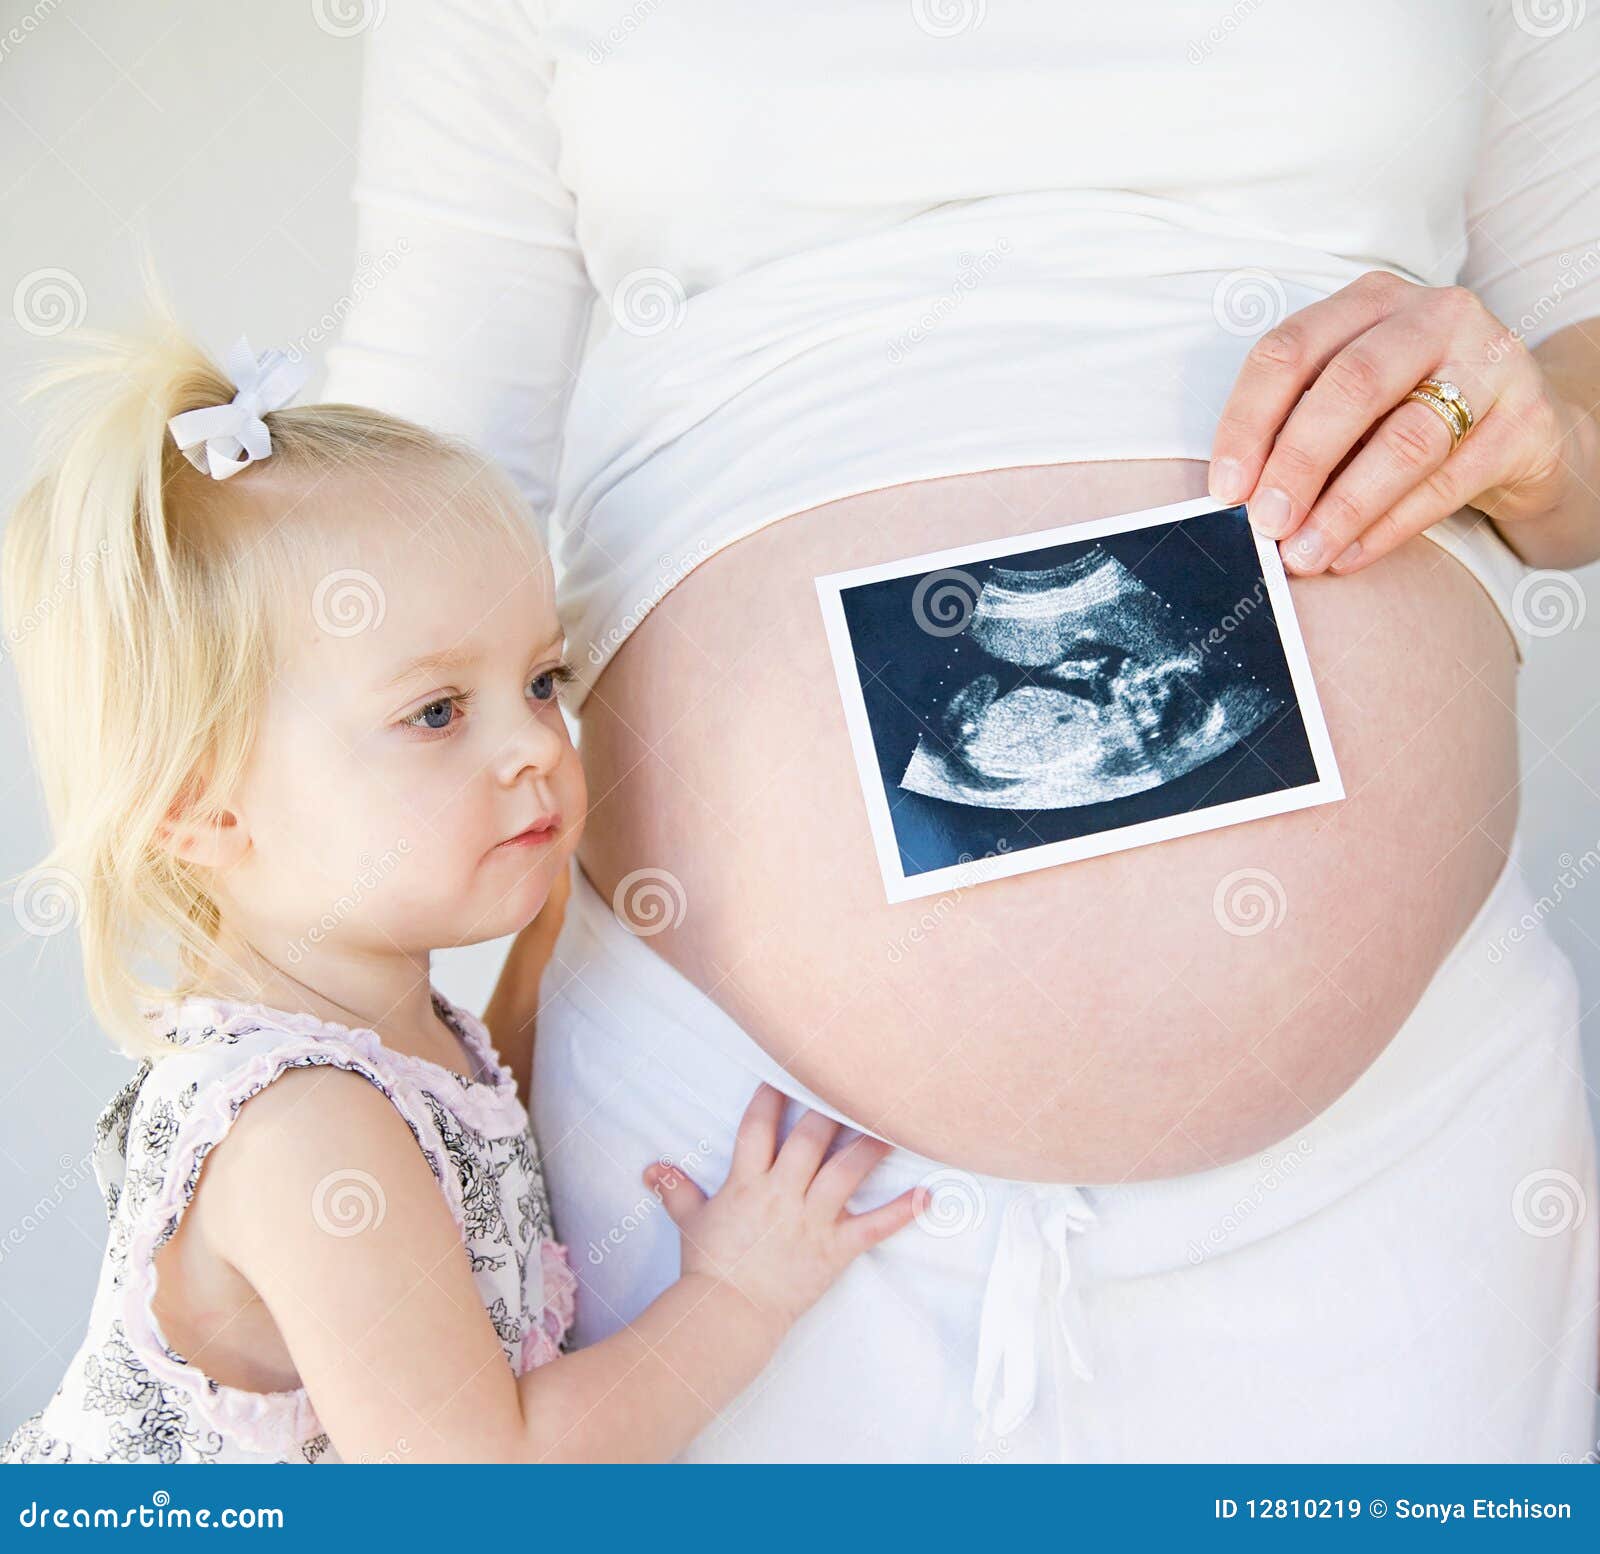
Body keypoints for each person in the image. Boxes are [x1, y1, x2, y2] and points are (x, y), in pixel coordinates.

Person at [320, 3, 1600, 1459]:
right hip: (739, 1169)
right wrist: (314, 1064)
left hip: (1395, 1152)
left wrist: (1546, 426)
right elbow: (394, 495)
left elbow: (1583, 386)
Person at [0, 317, 924, 1464]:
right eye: (436, 711)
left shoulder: (372, 1031)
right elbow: (486, 1493)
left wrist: (556, 933)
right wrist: (738, 1295)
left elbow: (471, 1129)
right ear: (205, 809)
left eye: (543, 681)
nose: (536, 745)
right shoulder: (304, 1134)